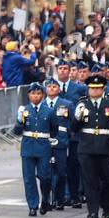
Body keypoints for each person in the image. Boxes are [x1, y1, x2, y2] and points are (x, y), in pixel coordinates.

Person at [72, 73, 109, 218]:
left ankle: (108, 208)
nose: (94, 91)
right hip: (86, 147)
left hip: (105, 147)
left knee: (108, 180)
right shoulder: (82, 104)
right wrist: (77, 117)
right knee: (90, 180)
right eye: (92, 88)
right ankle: (92, 211)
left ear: (103, 88)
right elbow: (74, 128)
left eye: (97, 88)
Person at [13, 83, 55, 216]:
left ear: (42, 95)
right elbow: (17, 131)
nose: (35, 96)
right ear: (28, 95)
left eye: (38, 94)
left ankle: (45, 200)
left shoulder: (49, 111)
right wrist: (20, 121)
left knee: (45, 176)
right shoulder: (24, 110)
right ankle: (33, 205)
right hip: (28, 146)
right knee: (29, 178)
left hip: (43, 146)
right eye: (32, 93)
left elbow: (54, 130)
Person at [54, 60, 87, 207]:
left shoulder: (79, 88)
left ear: (69, 71)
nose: (62, 71)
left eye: (65, 68)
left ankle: (75, 196)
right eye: (60, 68)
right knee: (58, 166)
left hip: (74, 134)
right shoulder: (51, 87)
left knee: (73, 166)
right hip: (57, 134)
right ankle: (60, 196)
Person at [43, 77, 72, 211]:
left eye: (54, 87)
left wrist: (66, 137)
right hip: (45, 143)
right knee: (46, 173)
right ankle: (46, 200)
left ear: (59, 89)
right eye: (49, 86)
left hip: (61, 141)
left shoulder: (66, 104)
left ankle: (59, 199)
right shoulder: (41, 105)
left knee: (61, 172)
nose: (51, 89)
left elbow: (72, 123)